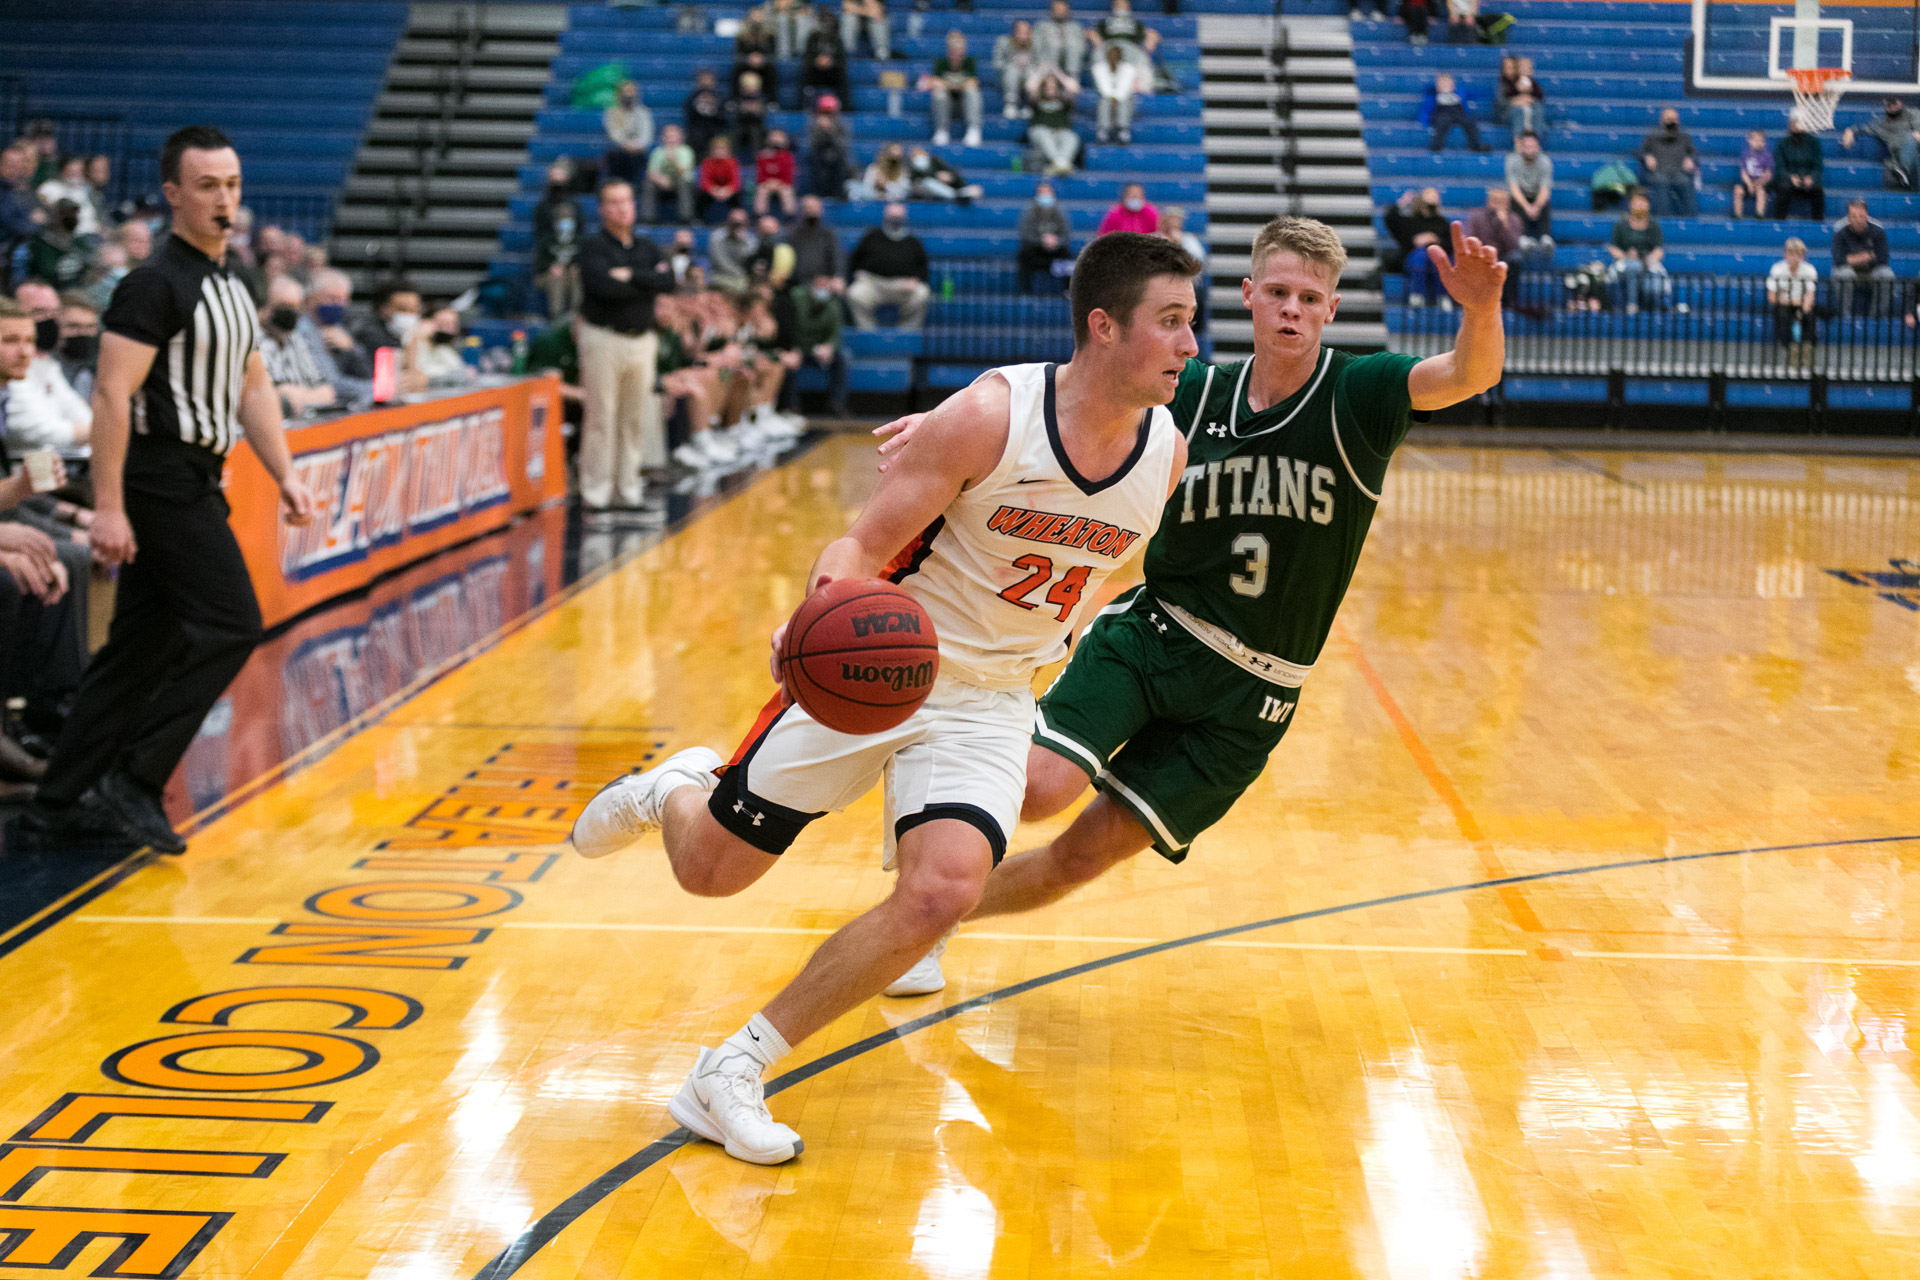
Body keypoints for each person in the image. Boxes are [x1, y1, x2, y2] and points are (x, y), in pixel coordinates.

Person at [567, 230, 1201, 1167]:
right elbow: (862, 547)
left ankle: (733, 1069)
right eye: (1173, 322)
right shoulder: (989, 418)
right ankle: (676, 791)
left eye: (1194, 323)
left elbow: (1090, 579)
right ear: (1103, 328)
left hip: (989, 700)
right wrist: (822, 608)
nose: (1191, 345)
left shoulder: (1166, 454)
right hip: (888, 663)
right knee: (710, 872)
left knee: (945, 888)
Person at [870, 214, 1505, 1001]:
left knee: (1076, 861)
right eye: (1276, 291)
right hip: (1158, 635)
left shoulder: (1360, 393)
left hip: (1256, 694)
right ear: (1247, 296)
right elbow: (1071, 389)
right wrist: (946, 425)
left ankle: (928, 917)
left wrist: (1481, 311)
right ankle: (927, 857)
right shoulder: (1190, 391)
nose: (1291, 310)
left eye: (1310, 297)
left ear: (1332, 309)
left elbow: (1464, 377)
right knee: (1037, 789)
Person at [21, 125, 316, 853]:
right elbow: (112, 399)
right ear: (174, 193)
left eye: (234, 185)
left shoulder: (233, 284)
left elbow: (253, 387)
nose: (226, 200)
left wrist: (285, 473)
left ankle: (57, 801)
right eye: (210, 186)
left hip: (199, 476)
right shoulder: (152, 284)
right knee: (233, 623)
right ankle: (137, 777)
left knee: (138, 648)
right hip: (157, 478)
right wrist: (112, 506)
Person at [576, 181, 672, 511]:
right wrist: (645, 282)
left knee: (634, 418)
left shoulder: (646, 246)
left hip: (642, 340)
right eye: (614, 203)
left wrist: (629, 275)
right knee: (601, 416)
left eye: (627, 201)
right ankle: (596, 490)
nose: (622, 208)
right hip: (604, 338)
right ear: (602, 210)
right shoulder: (592, 247)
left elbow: (668, 281)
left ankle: (628, 488)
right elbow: (601, 287)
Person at [257, 276, 338, 417]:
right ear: (266, 307)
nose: (290, 313)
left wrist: (296, 395)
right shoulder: (254, 341)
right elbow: (271, 397)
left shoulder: (296, 339)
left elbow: (327, 391)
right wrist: (306, 394)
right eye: (284, 306)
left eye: (295, 307)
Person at [846, 202, 930, 329]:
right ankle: (870, 335)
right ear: (885, 216)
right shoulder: (871, 236)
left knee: (922, 293)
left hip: (904, 286)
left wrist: (915, 281)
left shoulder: (913, 242)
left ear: (905, 218)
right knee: (855, 293)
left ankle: (905, 337)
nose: (895, 220)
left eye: (898, 217)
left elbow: (923, 270)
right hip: (874, 284)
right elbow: (855, 262)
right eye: (892, 216)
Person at [789, 271, 847, 415]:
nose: (822, 287)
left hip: (819, 350)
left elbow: (835, 333)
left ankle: (836, 404)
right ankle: (791, 407)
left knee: (843, 357)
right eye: (819, 282)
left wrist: (829, 346)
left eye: (825, 283)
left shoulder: (833, 302)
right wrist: (793, 347)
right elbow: (788, 325)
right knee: (787, 360)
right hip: (798, 346)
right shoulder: (796, 297)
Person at [532, 158, 584, 318]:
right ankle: (557, 320)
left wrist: (575, 263)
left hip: (571, 266)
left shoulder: (576, 206)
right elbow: (540, 243)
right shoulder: (542, 208)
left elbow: (581, 239)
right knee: (557, 276)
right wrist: (551, 264)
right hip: (548, 269)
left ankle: (578, 317)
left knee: (578, 274)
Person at [1830, 198, 1894, 316]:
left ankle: (1877, 318)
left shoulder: (1878, 230)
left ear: (1867, 216)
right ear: (1848, 217)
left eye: (1861, 216)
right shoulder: (1840, 231)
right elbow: (1838, 260)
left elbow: (1883, 258)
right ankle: (1845, 317)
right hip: (1848, 270)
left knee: (1887, 275)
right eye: (1854, 216)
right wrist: (1864, 257)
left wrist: (1852, 259)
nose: (1858, 219)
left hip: (1871, 271)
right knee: (1843, 274)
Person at [1841, 96, 1920, 192]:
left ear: (1900, 103)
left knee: (1911, 138)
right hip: (1899, 156)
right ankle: (1904, 174)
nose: (1892, 107)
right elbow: (1862, 128)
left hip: (1916, 150)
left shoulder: (1913, 114)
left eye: (1894, 104)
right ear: (1885, 107)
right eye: (1889, 105)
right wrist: (1849, 131)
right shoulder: (1881, 123)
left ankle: (1903, 171)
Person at [1607, 190, 1667, 312]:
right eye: (1636, 202)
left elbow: (1658, 250)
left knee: (1655, 281)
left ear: (1648, 205)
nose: (1639, 205)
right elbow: (1613, 248)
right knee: (1634, 266)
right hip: (1626, 262)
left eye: (1642, 202)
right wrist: (1626, 255)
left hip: (1648, 261)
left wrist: (1648, 259)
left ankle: (1658, 309)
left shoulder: (1653, 225)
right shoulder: (1621, 224)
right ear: (1630, 204)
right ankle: (1632, 304)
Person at [923, 30, 984, 149]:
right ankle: (942, 130)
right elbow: (933, 83)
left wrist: (947, 84)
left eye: (960, 51)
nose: (957, 55)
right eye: (954, 51)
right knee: (939, 93)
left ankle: (974, 129)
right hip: (947, 105)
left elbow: (973, 83)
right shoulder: (941, 63)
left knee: (973, 92)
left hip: (964, 105)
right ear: (949, 51)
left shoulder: (970, 62)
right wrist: (960, 85)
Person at [1465, 186, 1525, 302]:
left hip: (1504, 257)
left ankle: (1509, 305)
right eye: (1495, 201)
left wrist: (1504, 225)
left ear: (1508, 203)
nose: (1498, 204)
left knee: (1515, 260)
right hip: (1482, 256)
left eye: (1502, 201)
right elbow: (1470, 240)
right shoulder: (1477, 217)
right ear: (1488, 201)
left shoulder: (1514, 219)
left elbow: (1514, 246)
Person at [1767, 235, 1818, 370]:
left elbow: (1810, 296)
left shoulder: (1809, 270)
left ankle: (1807, 349)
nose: (1794, 257)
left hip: (1800, 305)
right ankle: (1791, 349)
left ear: (1803, 256)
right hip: (1784, 306)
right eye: (1791, 253)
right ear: (1785, 255)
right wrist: (1792, 302)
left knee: (1810, 316)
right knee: (1782, 315)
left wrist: (1802, 311)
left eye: (1798, 253)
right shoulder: (1777, 269)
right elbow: (1772, 298)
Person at [1640, 107, 1699, 218]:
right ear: (1661, 120)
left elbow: (1694, 153)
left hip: (1680, 173)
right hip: (1660, 172)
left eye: (1674, 119)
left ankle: (1690, 223)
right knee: (1661, 185)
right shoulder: (1652, 136)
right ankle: (1662, 222)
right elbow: (1641, 152)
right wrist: (1647, 156)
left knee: (1686, 184)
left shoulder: (1685, 137)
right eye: (1668, 118)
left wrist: (1691, 159)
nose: (1671, 121)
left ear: (1678, 121)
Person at [1017, 180, 1072, 291]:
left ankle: (1068, 291)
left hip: (1056, 250)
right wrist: (1041, 241)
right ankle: (1025, 291)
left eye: (1047, 192)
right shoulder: (1029, 212)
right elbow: (1025, 234)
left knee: (1068, 256)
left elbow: (1066, 236)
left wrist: (1056, 241)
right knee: (1024, 254)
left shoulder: (1060, 212)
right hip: (1036, 250)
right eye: (1042, 192)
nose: (1045, 195)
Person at [1504, 132, 1553, 256]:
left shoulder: (1545, 162)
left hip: (1536, 195)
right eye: (1527, 146)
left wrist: (1536, 206)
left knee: (1545, 201)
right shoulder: (1512, 160)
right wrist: (1526, 207)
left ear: (1538, 146)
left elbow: (1545, 189)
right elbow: (1513, 188)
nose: (1530, 150)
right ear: (1521, 146)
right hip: (1521, 195)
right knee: (1513, 201)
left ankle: (1545, 236)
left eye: (1533, 146)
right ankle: (1522, 237)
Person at [27, 202, 94, 292]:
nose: (71, 217)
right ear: (55, 216)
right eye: (65, 213)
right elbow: (47, 272)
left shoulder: (77, 242)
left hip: (77, 290)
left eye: (73, 213)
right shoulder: (42, 244)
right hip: (52, 291)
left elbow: (87, 267)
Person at [1159, 205, 1206, 331]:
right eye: (1171, 219)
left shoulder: (1189, 240)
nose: (1174, 223)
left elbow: (1198, 265)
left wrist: (1179, 245)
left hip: (1185, 284)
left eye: (1177, 220)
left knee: (1199, 292)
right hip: (1160, 287)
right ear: (1164, 221)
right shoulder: (1155, 238)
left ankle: (1193, 329)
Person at [1772, 112, 1826, 220]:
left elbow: (1818, 166)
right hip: (1789, 181)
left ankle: (1818, 225)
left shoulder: (1814, 143)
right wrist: (1790, 177)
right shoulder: (1782, 144)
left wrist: (1811, 177)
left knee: (1817, 190)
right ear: (1789, 125)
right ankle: (1779, 222)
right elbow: (1779, 167)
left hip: (1808, 180)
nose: (1796, 126)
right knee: (1783, 188)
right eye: (1794, 123)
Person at [1026, 72, 1081, 176]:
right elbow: (1030, 87)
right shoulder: (1037, 99)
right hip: (1040, 131)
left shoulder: (1064, 101)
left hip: (1061, 132)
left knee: (1072, 137)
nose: (1050, 87)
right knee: (1044, 135)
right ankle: (1060, 163)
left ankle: (1058, 164)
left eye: (1053, 85)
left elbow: (1075, 88)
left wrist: (1056, 72)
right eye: (1047, 86)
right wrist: (1042, 72)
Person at [1089, 0, 1159, 83]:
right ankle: (1105, 82)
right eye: (1118, 5)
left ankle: (1144, 87)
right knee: (1098, 54)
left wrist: (1152, 36)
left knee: (1143, 58)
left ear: (1129, 7)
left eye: (1123, 5)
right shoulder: (1104, 23)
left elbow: (1150, 35)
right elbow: (1092, 33)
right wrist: (1094, 37)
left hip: (1131, 47)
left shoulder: (1137, 24)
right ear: (1113, 7)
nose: (1121, 7)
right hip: (1110, 46)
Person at [643, 124, 699, 225]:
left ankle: (686, 218)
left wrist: (672, 158)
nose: (670, 139)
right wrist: (661, 180)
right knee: (648, 184)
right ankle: (648, 219)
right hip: (661, 183)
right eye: (668, 136)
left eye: (673, 136)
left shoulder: (686, 151)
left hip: (680, 182)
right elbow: (651, 172)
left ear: (679, 137)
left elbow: (683, 171)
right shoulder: (657, 152)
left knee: (683, 183)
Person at [603, 80, 656, 186]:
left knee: (636, 159)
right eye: (625, 91)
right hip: (620, 151)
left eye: (631, 91)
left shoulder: (643, 112)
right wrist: (627, 145)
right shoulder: (612, 113)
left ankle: (633, 189)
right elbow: (614, 135)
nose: (628, 95)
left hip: (639, 151)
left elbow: (647, 136)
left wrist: (636, 146)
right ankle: (617, 186)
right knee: (616, 156)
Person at [38, 157, 101, 241]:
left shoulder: (85, 191)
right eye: (72, 172)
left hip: (93, 234)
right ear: (62, 171)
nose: (75, 176)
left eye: (79, 172)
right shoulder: (49, 188)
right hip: (70, 237)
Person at [1091, 43, 1143, 145]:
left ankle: (1123, 130)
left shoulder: (1128, 69)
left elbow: (1122, 91)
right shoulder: (1099, 68)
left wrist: (1114, 98)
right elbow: (1104, 89)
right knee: (1104, 101)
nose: (1113, 58)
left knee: (1124, 100)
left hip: (1123, 101)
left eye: (1116, 55)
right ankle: (1103, 130)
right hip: (1107, 100)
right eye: (1111, 55)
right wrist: (1112, 98)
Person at [788, 194, 843, 287]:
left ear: (821, 210)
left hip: (825, 282)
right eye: (807, 208)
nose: (811, 211)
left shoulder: (828, 235)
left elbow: (837, 259)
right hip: (798, 282)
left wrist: (836, 277)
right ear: (800, 211)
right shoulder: (792, 235)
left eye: (814, 208)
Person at [53, 292, 99, 403]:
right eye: (73, 326)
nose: (83, 333)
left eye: (90, 327)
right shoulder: (45, 367)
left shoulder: (102, 368)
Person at [805, 94, 853, 197]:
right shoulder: (813, 124)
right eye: (824, 113)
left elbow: (843, 147)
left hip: (837, 157)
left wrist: (831, 131)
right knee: (815, 160)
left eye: (829, 113)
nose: (827, 116)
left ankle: (838, 194)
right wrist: (821, 131)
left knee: (839, 160)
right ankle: (820, 194)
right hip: (819, 157)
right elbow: (813, 145)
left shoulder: (842, 125)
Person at [1422, 74, 1483, 153]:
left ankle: (1476, 146)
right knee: (1442, 122)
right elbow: (1426, 109)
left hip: (1458, 114)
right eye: (1442, 85)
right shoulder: (1434, 96)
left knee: (1470, 122)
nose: (1444, 86)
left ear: (1453, 85)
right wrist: (1425, 120)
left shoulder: (1458, 95)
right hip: (1443, 114)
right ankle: (1436, 147)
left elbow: (1474, 94)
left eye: (1447, 84)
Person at [1034, 0, 1087, 90]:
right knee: (1054, 44)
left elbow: (1082, 49)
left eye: (1062, 9)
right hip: (1047, 64)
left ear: (1067, 11)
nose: (1060, 12)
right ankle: (1050, 79)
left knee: (1073, 45)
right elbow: (1036, 48)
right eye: (1057, 9)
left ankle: (1072, 77)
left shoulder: (1076, 27)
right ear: (1052, 11)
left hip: (1070, 63)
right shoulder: (1042, 26)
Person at [994, 21, 1041, 119]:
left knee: (1031, 71)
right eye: (1020, 32)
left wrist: (1029, 65)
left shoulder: (1035, 44)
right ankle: (1011, 104)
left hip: (1027, 75)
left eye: (1026, 32)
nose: (1023, 35)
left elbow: (1041, 64)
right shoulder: (1003, 42)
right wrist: (1012, 63)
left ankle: (1028, 104)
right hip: (1007, 76)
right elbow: (997, 64)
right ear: (1014, 32)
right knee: (1012, 70)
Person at [733, 9, 780, 103]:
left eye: (759, 15)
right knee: (736, 70)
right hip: (746, 64)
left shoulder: (770, 36)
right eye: (755, 15)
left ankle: (771, 101)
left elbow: (773, 55)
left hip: (764, 65)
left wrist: (762, 59)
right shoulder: (741, 36)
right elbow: (737, 55)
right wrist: (749, 59)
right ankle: (734, 100)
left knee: (771, 71)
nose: (757, 18)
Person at [802, 23, 853, 108]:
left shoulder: (838, 39)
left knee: (843, 77)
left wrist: (831, 62)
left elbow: (842, 61)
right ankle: (801, 106)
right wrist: (816, 61)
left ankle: (845, 107)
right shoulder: (812, 39)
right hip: (815, 72)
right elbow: (806, 59)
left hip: (833, 72)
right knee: (804, 74)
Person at [906, 147, 981, 204]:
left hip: (945, 188)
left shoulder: (935, 161)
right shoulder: (912, 169)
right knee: (927, 182)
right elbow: (914, 181)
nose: (918, 158)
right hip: (924, 192)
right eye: (914, 156)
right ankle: (958, 194)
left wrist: (950, 177)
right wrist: (936, 176)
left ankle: (961, 192)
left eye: (920, 154)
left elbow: (953, 174)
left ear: (926, 154)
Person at [709, 208, 760, 290]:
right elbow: (721, 263)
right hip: (721, 275)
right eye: (735, 223)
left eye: (741, 224)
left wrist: (740, 242)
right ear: (728, 222)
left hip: (744, 277)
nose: (738, 227)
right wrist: (740, 275)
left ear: (746, 224)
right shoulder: (716, 237)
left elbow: (748, 261)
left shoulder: (751, 240)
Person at [698, 136, 745, 222]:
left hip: (728, 191)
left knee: (738, 196)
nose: (719, 151)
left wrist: (727, 190)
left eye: (722, 149)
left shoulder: (732, 162)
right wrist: (713, 190)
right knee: (701, 197)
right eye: (716, 149)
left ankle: (738, 220)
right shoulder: (707, 162)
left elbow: (735, 182)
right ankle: (699, 220)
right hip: (712, 191)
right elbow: (705, 181)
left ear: (728, 150)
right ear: (711, 150)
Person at [685, 69, 728, 161]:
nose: (706, 83)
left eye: (708, 80)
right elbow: (688, 114)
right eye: (703, 80)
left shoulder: (720, 97)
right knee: (695, 136)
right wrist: (696, 104)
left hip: (715, 128)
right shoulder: (693, 97)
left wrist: (714, 109)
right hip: (697, 129)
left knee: (719, 138)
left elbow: (724, 117)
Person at [728, 70, 771, 160]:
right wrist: (741, 109)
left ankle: (758, 160)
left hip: (757, 126)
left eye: (752, 87)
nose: (749, 90)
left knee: (755, 133)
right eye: (746, 87)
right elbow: (731, 114)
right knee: (735, 133)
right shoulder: (736, 98)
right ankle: (732, 159)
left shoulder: (762, 99)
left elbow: (764, 116)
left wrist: (757, 111)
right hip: (740, 125)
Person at [1497, 56, 1544, 138]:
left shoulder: (1531, 83)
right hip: (1509, 113)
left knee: (1538, 107)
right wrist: (1515, 101)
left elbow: (1540, 96)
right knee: (1518, 111)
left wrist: (1530, 99)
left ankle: (1535, 140)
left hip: (1528, 110)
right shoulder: (1505, 84)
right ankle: (1518, 142)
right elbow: (1502, 102)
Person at [754, 130, 798, 216]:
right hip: (766, 183)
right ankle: (760, 216)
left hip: (782, 184)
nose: (776, 139)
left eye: (779, 137)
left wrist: (778, 183)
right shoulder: (762, 155)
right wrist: (768, 183)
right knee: (761, 190)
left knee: (787, 191)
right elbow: (760, 174)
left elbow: (788, 175)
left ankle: (789, 217)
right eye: (774, 136)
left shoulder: (788, 156)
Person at [1733, 129, 1772, 219]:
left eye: (1761, 141)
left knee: (1761, 191)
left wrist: (1757, 183)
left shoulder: (1767, 156)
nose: (1758, 143)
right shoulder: (1745, 154)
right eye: (1756, 140)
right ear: (1750, 141)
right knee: (1738, 190)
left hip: (1761, 183)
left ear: (1764, 143)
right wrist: (1749, 184)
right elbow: (1743, 172)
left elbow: (1768, 174)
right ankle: (1738, 214)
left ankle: (1759, 214)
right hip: (1748, 182)